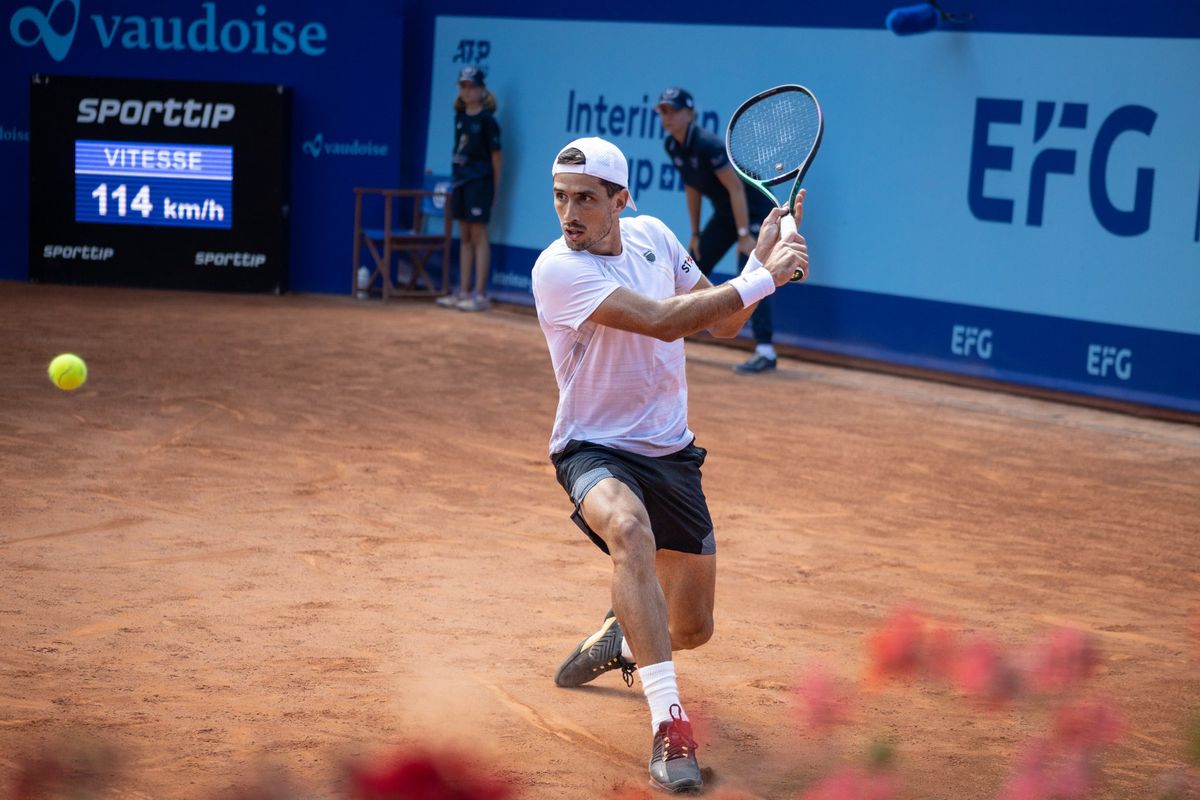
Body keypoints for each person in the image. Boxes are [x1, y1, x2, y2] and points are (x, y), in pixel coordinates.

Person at [531, 137, 809, 793]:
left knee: (694, 628)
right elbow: (660, 322)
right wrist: (769, 275)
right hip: (592, 447)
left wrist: (760, 256)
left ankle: (623, 639)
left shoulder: (654, 236)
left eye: (586, 200)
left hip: (672, 452)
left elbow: (724, 326)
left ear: (620, 200)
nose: (570, 214)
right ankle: (670, 728)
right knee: (627, 530)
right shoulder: (557, 270)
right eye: (561, 198)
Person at [656, 87, 780, 374]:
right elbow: (692, 188)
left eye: (672, 111)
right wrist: (696, 233)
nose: (667, 117)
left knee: (753, 271)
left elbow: (736, 188)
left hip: (754, 211)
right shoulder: (672, 146)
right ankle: (678, 329)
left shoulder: (708, 144)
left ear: (689, 114)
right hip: (726, 214)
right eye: (663, 111)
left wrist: (744, 235)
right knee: (692, 264)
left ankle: (765, 350)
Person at [436, 65, 502, 312]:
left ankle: (479, 294)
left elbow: (497, 158)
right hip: (460, 183)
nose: (467, 90)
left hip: (480, 183)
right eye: (463, 85)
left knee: (478, 235)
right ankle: (463, 291)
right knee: (463, 236)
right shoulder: (460, 118)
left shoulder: (488, 121)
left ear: (482, 90)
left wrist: (494, 190)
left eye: (472, 86)